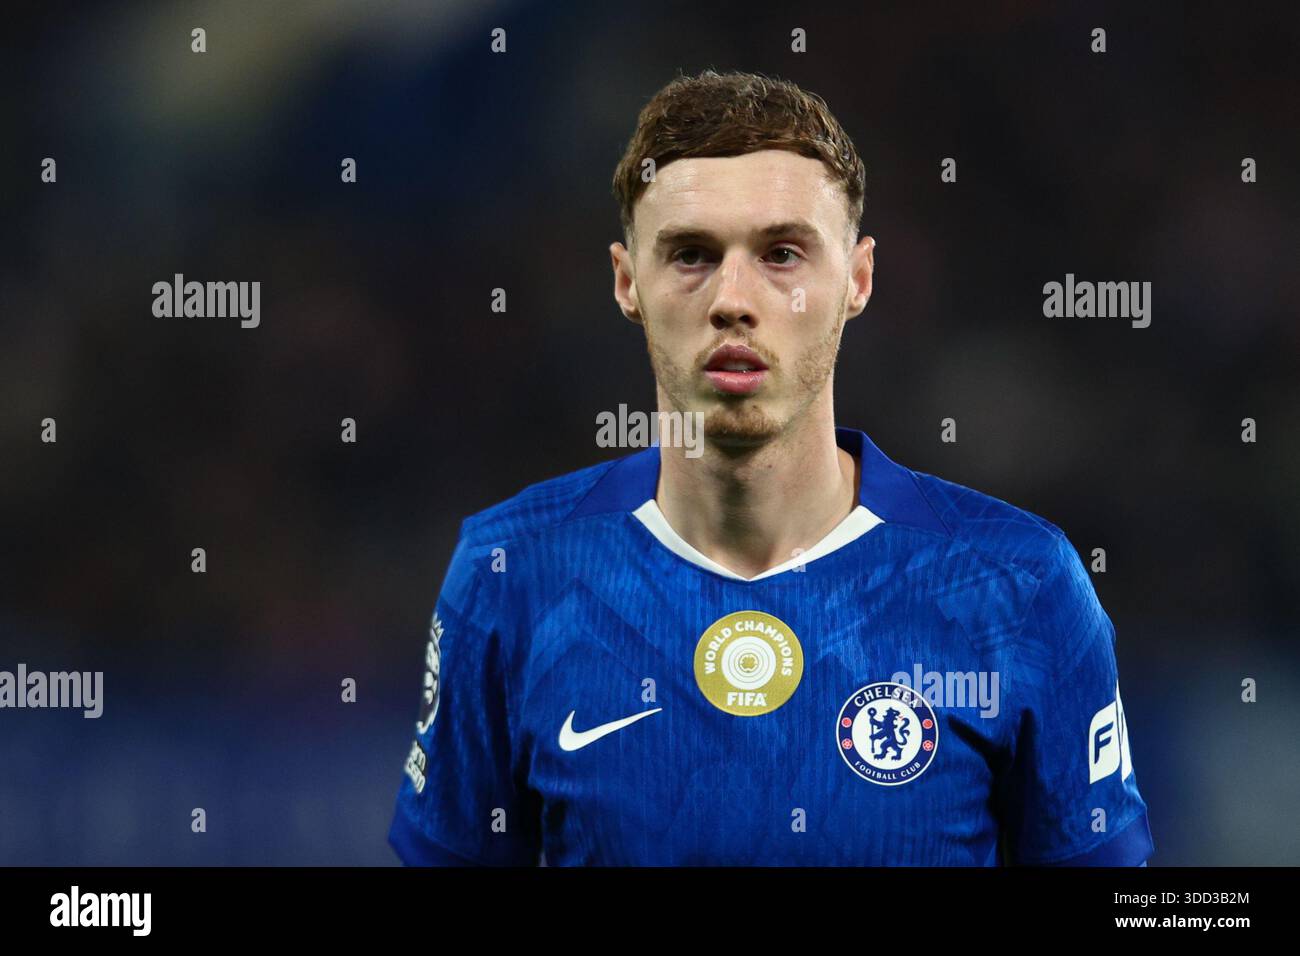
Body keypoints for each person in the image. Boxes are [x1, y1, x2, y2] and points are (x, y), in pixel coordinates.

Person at [388, 69, 1153, 866]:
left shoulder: (1019, 585)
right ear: (626, 282)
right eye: (690, 255)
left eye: (782, 253)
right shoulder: (509, 573)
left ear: (856, 278)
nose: (734, 299)